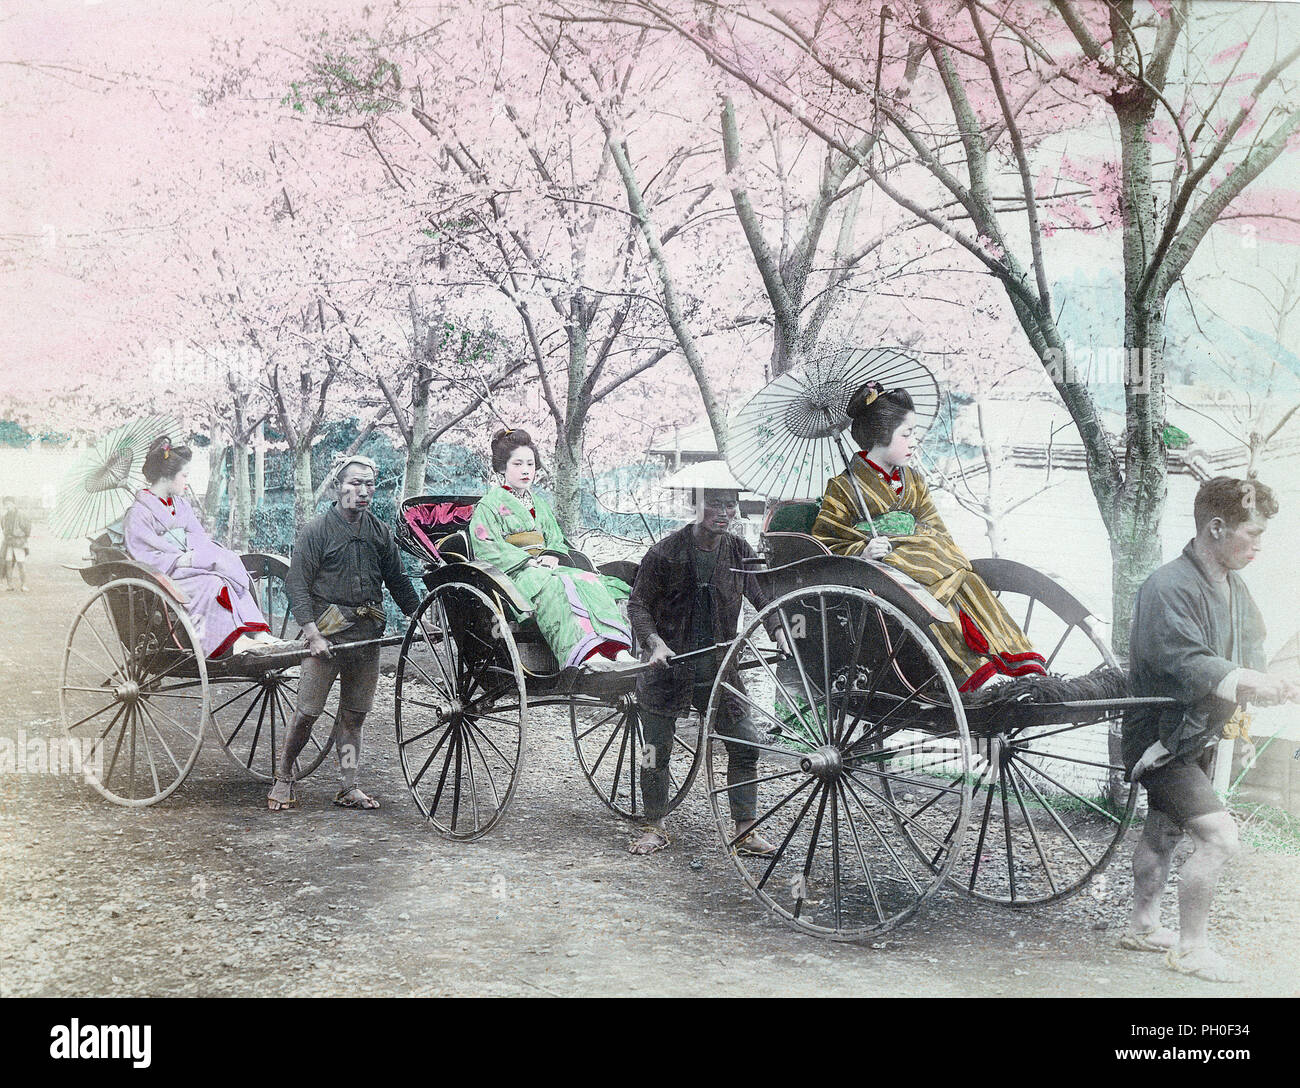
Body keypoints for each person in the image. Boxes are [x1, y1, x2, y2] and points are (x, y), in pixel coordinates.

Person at [1121, 476, 1299, 983]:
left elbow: (1253, 648)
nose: (1260, 546)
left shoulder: (1233, 586)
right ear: (1216, 528)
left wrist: (1270, 682)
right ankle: (1193, 949)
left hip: (1200, 730)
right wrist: (1249, 681)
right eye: (1254, 534)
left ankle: (1143, 924)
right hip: (1161, 738)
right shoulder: (1166, 586)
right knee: (1219, 838)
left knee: (1164, 829)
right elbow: (1182, 659)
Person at [811, 381, 1045, 691]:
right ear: (881, 436)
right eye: (906, 435)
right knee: (928, 590)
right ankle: (969, 671)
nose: (913, 442)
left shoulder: (915, 480)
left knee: (965, 578)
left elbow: (933, 524)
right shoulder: (843, 487)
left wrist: (923, 542)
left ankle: (1008, 656)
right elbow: (827, 539)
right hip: (883, 571)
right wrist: (863, 549)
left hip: (924, 556)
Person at [626, 460, 778, 857]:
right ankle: (654, 825)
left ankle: (745, 829)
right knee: (654, 751)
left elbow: (760, 597)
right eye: (716, 505)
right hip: (669, 670)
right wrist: (654, 643)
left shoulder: (739, 550)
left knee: (745, 742)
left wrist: (780, 631)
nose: (725, 513)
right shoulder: (665, 553)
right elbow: (638, 605)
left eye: (731, 505)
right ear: (696, 506)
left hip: (718, 669)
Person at [270, 455, 422, 812]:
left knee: (355, 716)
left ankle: (348, 786)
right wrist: (312, 634)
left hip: (366, 636)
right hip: (327, 634)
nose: (363, 491)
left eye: (369, 484)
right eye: (355, 483)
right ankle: (283, 775)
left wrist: (418, 616)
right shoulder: (317, 531)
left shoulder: (380, 532)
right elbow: (296, 586)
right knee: (307, 712)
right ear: (338, 486)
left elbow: (398, 581)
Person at [468, 428, 635, 672]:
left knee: (586, 579)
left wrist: (551, 555)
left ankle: (614, 647)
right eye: (517, 464)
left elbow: (556, 539)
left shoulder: (540, 505)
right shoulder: (489, 505)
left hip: (545, 567)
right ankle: (584, 654)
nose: (526, 470)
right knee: (555, 587)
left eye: (530, 464)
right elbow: (487, 547)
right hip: (513, 576)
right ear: (503, 468)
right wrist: (526, 561)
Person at [123, 437, 286, 657]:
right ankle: (232, 642)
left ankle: (256, 633)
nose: (186, 482)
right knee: (212, 582)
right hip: (167, 575)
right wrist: (180, 558)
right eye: (184, 476)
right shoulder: (138, 513)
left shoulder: (180, 504)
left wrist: (196, 552)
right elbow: (142, 555)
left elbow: (198, 536)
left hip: (189, 564)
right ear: (166, 476)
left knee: (228, 571)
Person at [2, 496, 31, 592]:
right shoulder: (4, 516)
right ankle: (9, 585)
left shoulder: (22, 515)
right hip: (8, 543)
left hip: (19, 543)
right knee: (8, 564)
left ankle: (24, 585)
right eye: (5, 504)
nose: (7, 506)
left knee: (21, 564)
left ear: (14, 504)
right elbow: (3, 528)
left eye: (9, 504)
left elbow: (27, 529)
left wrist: (18, 535)